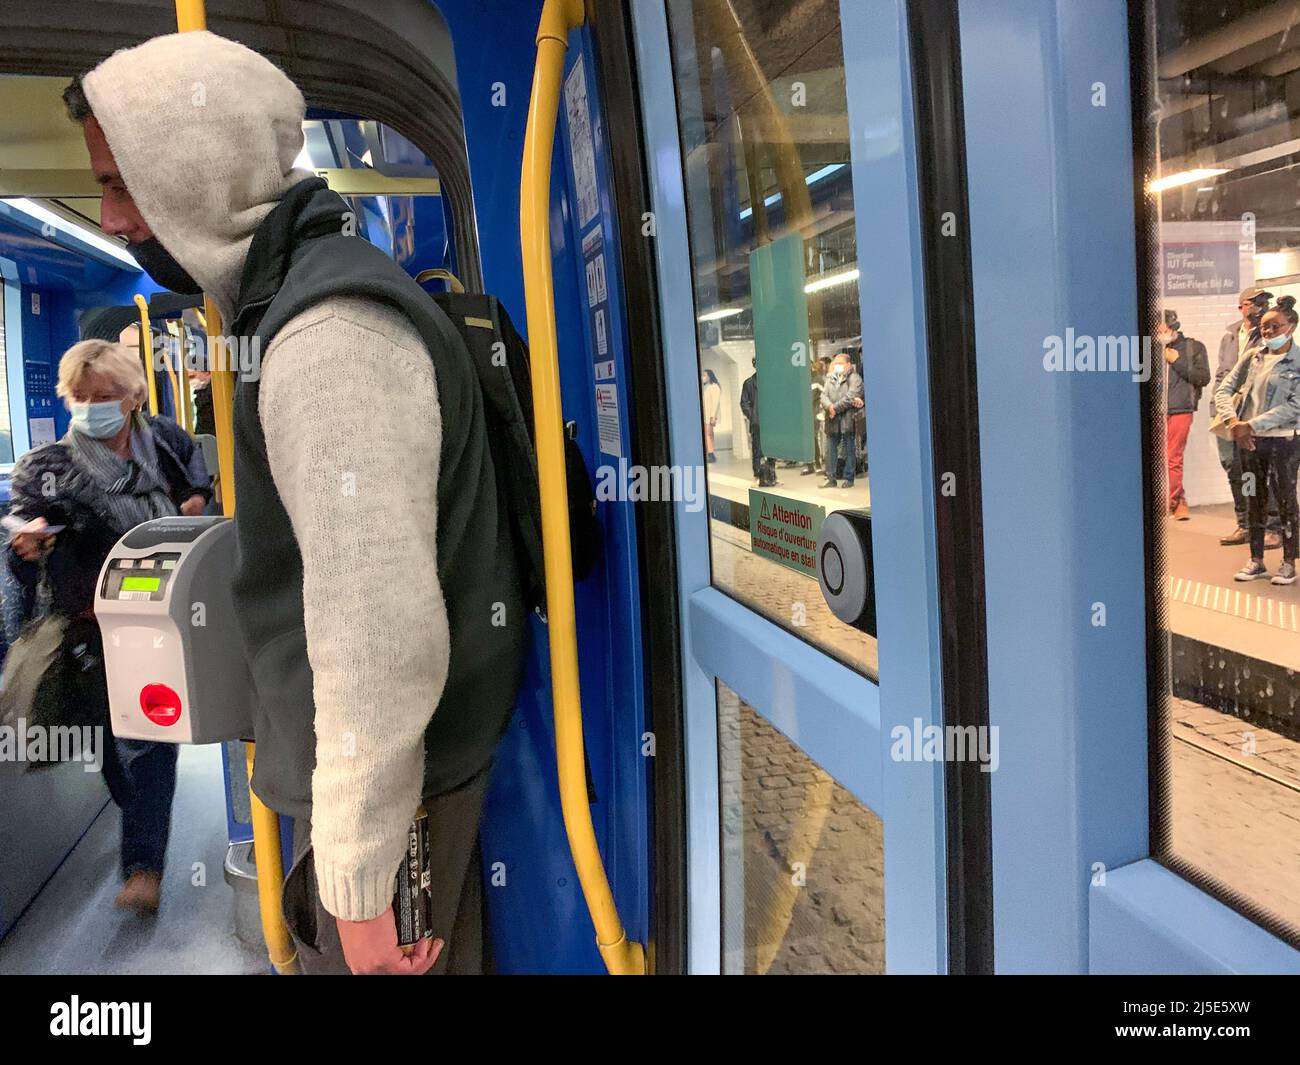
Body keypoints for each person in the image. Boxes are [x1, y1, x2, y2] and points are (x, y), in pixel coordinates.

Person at [63, 30, 528, 974]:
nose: (111, 218)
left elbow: (377, 632)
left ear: (193, 173)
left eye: (120, 184)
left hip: (398, 818)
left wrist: (357, 892)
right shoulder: (289, 303)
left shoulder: (325, 338)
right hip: (384, 795)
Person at [7, 339, 212, 914]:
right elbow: (26, 537)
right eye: (79, 397)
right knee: (108, 743)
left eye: (104, 396)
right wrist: (26, 547)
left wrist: (194, 506)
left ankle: (143, 866)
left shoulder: (169, 441)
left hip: (162, 618)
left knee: (148, 735)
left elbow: (200, 487)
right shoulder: (46, 468)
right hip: (90, 628)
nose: (91, 407)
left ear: (132, 398)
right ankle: (139, 820)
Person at [1215, 296, 1300, 585]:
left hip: (1283, 443)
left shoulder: (1297, 362)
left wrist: (1249, 424)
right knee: (1253, 496)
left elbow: (1295, 406)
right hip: (1250, 444)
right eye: (1265, 328)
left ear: (1291, 327)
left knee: (1286, 499)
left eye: (1275, 327)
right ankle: (1257, 560)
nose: (1269, 332)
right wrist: (1232, 422)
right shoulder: (1252, 356)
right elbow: (1224, 388)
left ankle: (1288, 562)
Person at [1216, 287, 1282, 547]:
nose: (1258, 307)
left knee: (1267, 471)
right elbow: (1222, 374)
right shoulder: (1229, 337)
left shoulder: (1269, 334)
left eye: (1262, 303)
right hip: (1229, 414)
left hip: (1257, 414)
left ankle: (1273, 526)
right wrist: (1219, 407)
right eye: (1253, 303)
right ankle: (1245, 524)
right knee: (1237, 470)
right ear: (1241, 307)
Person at [1159, 310, 1209, 521]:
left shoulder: (1193, 347)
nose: (1160, 332)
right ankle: (1167, 501)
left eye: (1163, 328)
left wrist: (1176, 361)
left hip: (1180, 408)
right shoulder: (1147, 348)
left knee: (1173, 457)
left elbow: (1203, 378)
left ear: (1174, 326)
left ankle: (1176, 502)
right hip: (1156, 411)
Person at [820, 353, 864, 489]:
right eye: (835, 363)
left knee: (849, 449)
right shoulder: (830, 378)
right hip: (832, 420)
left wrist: (835, 408)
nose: (837, 366)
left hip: (847, 419)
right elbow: (823, 395)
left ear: (848, 364)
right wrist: (828, 406)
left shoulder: (855, 378)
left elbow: (851, 396)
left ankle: (849, 478)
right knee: (830, 449)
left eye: (840, 363)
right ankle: (830, 478)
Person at [739, 358, 773, 486]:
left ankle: (771, 474)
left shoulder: (771, 382)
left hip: (770, 422)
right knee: (757, 450)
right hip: (757, 423)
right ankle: (757, 475)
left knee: (771, 449)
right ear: (754, 366)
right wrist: (752, 416)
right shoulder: (749, 383)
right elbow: (744, 402)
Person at [701, 369, 722, 463]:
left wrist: (713, 417)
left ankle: (711, 454)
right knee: (709, 435)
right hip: (707, 416)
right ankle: (710, 453)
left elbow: (715, 403)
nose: (703, 377)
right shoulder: (707, 387)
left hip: (709, 416)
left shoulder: (715, 387)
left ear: (709, 376)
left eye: (705, 375)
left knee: (708, 435)